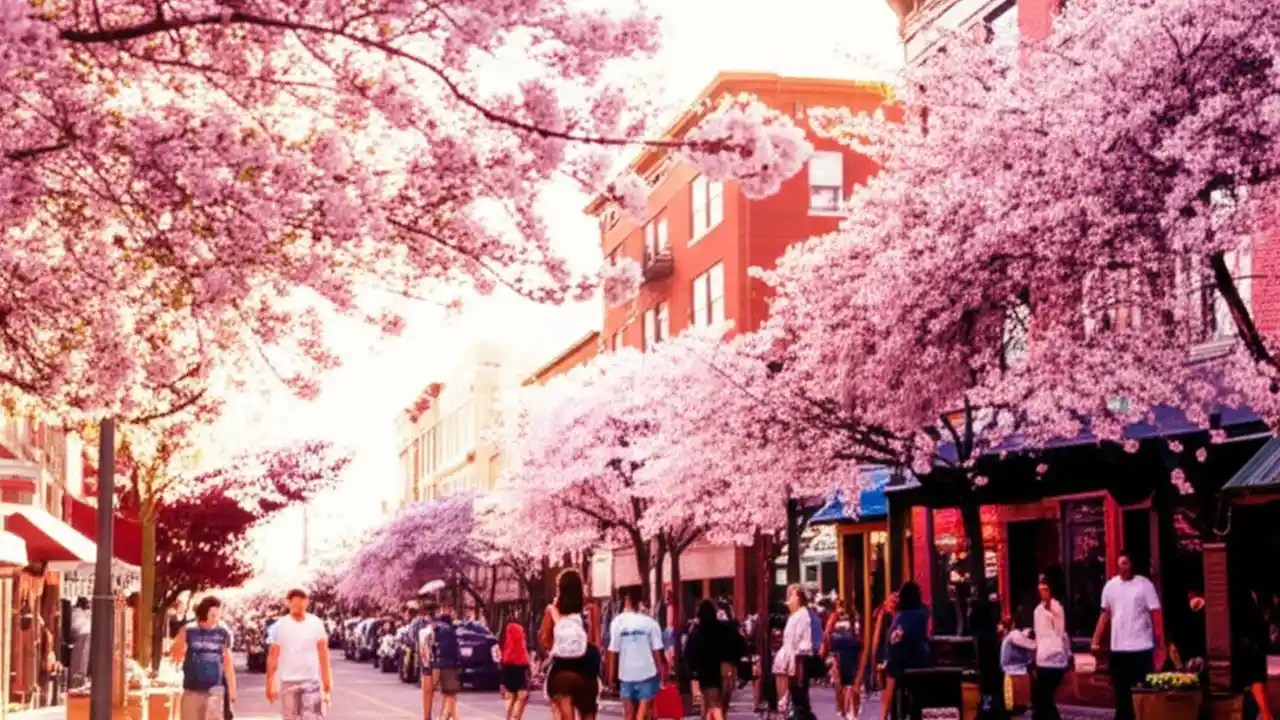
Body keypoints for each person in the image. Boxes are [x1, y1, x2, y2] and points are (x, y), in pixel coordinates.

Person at [1091, 551, 1163, 720]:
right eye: (1120, 563)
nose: (1123, 567)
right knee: (1121, 693)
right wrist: (1095, 638)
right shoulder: (1110, 586)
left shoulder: (1144, 585)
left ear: (1132, 565)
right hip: (1118, 648)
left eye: (1126, 563)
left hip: (1141, 647)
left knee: (1142, 691)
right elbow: (1105, 614)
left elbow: (1156, 613)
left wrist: (1160, 642)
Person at [539, 569, 600, 720]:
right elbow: (595, 643)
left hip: (561, 674)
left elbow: (545, 643)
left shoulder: (552, 611)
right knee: (589, 713)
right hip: (586, 674)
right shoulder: (591, 611)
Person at [266, 589, 333, 720]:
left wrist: (327, 683)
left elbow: (323, 654)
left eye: (302, 604)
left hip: (311, 681)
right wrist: (270, 684)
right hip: (288, 681)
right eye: (295, 605)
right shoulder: (279, 626)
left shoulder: (316, 624)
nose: (299, 608)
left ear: (307, 603)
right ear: (289, 603)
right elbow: (273, 657)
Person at [171, 595, 236, 720]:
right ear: (203, 613)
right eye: (212, 615)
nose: (215, 619)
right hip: (192, 691)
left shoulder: (222, 633)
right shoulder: (188, 631)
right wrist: (181, 645)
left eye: (217, 616)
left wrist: (232, 691)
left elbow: (228, 663)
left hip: (215, 691)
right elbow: (176, 655)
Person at [606, 586, 664, 720]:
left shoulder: (617, 622)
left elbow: (613, 651)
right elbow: (657, 652)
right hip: (648, 674)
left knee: (629, 715)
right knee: (642, 715)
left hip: (626, 675)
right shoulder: (651, 623)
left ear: (626, 600)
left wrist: (610, 678)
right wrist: (661, 673)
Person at [883, 582, 932, 720]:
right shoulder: (922, 614)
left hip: (902, 665)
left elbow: (895, 646)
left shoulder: (901, 619)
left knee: (892, 681)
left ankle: (884, 715)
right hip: (922, 663)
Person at [688, 599, 736, 720]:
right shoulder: (725, 628)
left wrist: (693, 677)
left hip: (708, 674)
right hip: (726, 670)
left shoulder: (697, 633)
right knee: (718, 707)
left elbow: (690, 656)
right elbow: (737, 646)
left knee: (714, 706)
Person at [772, 584, 814, 720]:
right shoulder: (794, 616)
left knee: (796, 704)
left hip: (793, 666)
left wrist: (793, 665)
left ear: (799, 598)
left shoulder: (802, 616)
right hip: (787, 665)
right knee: (788, 703)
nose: (788, 600)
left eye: (791, 595)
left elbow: (801, 645)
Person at [1031, 575, 1070, 720]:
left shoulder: (1057, 608)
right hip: (1042, 659)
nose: (1042, 592)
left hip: (1055, 660)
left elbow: (1060, 631)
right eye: (1040, 589)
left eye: (1045, 589)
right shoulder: (1037, 611)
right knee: (1039, 696)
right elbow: (1038, 636)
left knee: (1045, 696)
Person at [854, 591, 897, 709]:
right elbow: (877, 635)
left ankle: (887, 708)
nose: (893, 604)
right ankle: (887, 707)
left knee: (886, 683)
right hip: (885, 651)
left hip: (887, 652)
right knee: (885, 683)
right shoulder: (885, 614)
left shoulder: (887, 614)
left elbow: (877, 635)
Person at [824, 598, 862, 720]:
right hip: (847, 651)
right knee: (846, 683)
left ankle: (846, 711)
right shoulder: (851, 616)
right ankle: (847, 711)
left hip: (843, 651)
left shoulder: (846, 616)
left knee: (843, 683)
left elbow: (827, 633)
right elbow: (827, 633)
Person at [431, 606, 462, 720]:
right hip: (448, 665)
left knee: (448, 694)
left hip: (438, 664)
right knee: (451, 694)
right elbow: (450, 650)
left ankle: (446, 716)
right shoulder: (447, 630)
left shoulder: (438, 628)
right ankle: (445, 717)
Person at [499, 620, 532, 720]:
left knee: (512, 698)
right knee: (522, 697)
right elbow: (526, 662)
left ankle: (508, 717)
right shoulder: (521, 644)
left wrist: (502, 682)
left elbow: (503, 662)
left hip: (508, 671)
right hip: (520, 672)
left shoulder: (507, 644)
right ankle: (517, 717)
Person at [418, 603, 439, 720]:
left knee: (427, 692)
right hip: (433, 664)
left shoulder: (422, 631)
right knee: (433, 693)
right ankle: (430, 716)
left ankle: (427, 716)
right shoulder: (432, 632)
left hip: (426, 664)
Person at [69, 597, 91, 688]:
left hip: (82, 638)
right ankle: (77, 682)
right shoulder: (79, 614)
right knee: (80, 661)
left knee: (80, 661)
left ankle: (77, 682)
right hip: (82, 637)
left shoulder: (77, 613)